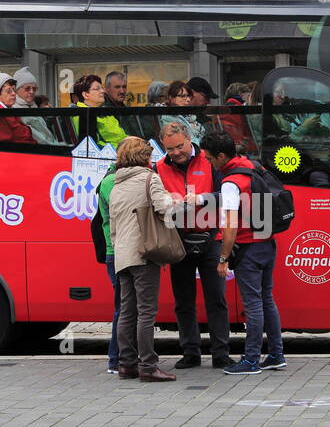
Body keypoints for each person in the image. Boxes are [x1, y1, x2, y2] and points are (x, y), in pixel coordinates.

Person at [201, 131, 285, 375]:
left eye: (209, 159)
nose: (208, 163)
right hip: (267, 243)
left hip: (248, 248)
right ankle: (276, 355)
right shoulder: (251, 166)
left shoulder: (230, 182)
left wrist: (223, 258)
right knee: (267, 300)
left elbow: (230, 225)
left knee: (253, 304)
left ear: (221, 156)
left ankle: (250, 360)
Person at [156, 121, 233, 370]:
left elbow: (227, 195)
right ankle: (190, 351)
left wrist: (201, 199)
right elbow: (153, 201)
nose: (176, 153)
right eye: (170, 149)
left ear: (189, 140)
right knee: (183, 300)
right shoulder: (158, 168)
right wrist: (168, 202)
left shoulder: (209, 162)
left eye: (179, 146)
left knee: (216, 299)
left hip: (211, 238)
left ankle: (221, 352)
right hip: (178, 239)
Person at [108, 136, 179, 382]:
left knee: (127, 311)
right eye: (149, 155)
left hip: (123, 256)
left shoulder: (116, 185)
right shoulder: (150, 179)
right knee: (147, 312)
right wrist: (176, 199)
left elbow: (113, 228)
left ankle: (126, 364)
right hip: (144, 253)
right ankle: (148, 366)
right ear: (143, 157)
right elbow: (166, 209)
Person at [95, 160, 122, 374]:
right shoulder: (111, 182)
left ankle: (121, 357)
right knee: (124, 307)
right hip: (117, 252)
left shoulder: (111, 179)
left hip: (118, 252)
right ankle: (116, 358)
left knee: (125, 306)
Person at [73, 74, 127, 147]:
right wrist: (124, 147)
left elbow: (120, 135)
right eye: (97, 88)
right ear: (85, 95)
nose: (103, 91)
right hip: (114, 154)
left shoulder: (103, 111)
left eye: (102, 88)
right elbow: (94, 147)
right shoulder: (81, 115)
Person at [0, 71, 34, 143]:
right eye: (8, 91)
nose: (14, 93)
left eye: (13, 89)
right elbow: (5, 144)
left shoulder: (9, 111)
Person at [12, 66, 57, 144]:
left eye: (34, 88)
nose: (32, 91)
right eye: (27, 88)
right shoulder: (15, 110)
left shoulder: (33, 106)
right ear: (16, 89)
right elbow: (38, 138)